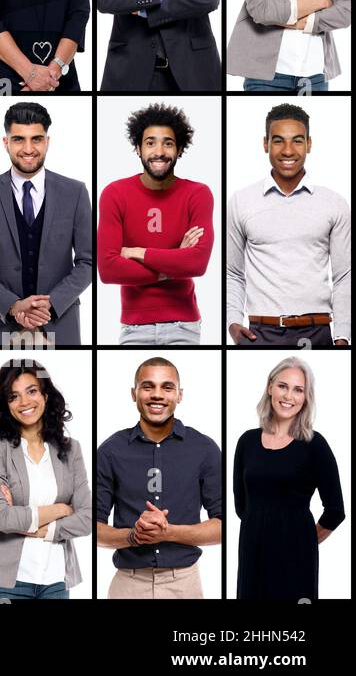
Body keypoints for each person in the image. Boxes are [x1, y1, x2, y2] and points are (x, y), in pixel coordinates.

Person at [0, 102, 94, 349]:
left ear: (47, 141)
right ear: (6, 143)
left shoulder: (75, 192)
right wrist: (13, 306)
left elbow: (88, 261)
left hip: (59, 325)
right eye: (18, 140)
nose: (28, 149)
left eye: (36, 139)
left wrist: (51, 304)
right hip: (0, 328)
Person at [97, 357, 222, 599]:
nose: (157, 395)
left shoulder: (204, 449)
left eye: (167, 387)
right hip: (128, 585)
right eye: (147, 386)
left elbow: (222, 526)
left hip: (185, 584)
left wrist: (170, 533)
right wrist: (133, 536)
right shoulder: (110, 451)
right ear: (134, 393)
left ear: (179, 394)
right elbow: (95, 529)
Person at [226, 103, 350, 348]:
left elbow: (344, 275)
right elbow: (233, 272)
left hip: (319, 331)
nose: (288, 151)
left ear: (309, 144)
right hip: (260, 333)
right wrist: (232, 322)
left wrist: (343, 336)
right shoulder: (242, 201)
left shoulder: (333, 203)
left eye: (297, 141)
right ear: (265, 144)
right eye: (278, 141)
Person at [0, 360, 91, 600]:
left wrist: (45, 530)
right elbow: (2, 518)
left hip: (56, 582)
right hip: (8, 582)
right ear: (6, 404)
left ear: (45, 394)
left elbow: (86, 519)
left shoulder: (71, 449)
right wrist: (61, 509)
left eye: (32, 391)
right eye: (14, 396)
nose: (24, 402)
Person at [97, 103, 213, 346]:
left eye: (168, 143)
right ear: (138, 148)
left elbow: (197, 264)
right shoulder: (115, 193)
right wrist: (174, 260)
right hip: (134, 326)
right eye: (150, 143)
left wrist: (137, 253)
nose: (159, 151)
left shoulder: (198, 194)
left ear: (180, 148)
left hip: (184, 324)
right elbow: (108, 270)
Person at [233, 357, 345, 600]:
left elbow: (336, 510)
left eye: (298, 390)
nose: (288, 396)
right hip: (252, 554)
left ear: (306, 398)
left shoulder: (314, 445)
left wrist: (301, 542)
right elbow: (241, 505)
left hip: (296, 560)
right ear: (270, 387)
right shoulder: (247, 442)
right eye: (283, 386)